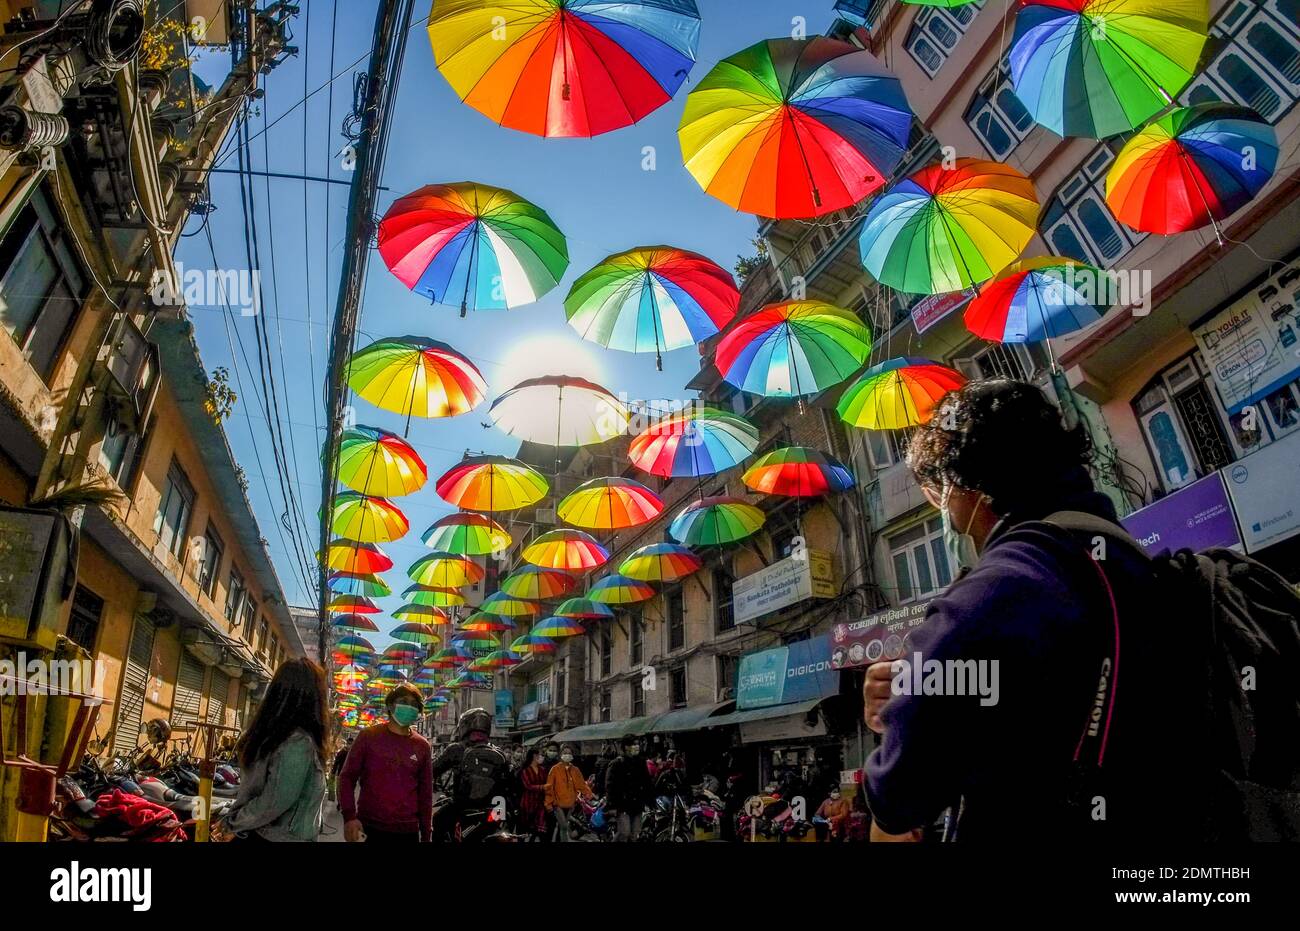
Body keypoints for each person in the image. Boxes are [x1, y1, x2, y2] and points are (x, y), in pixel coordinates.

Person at [863, 379, 1203, 842]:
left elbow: (898, 799)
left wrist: (896, 711)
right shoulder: (1134, 567)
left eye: (936, 494)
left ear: (963, 489)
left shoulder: (990, 599)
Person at [221, 658, 329, 842]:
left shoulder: (269, 734)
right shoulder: (297, 742)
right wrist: (234, 824)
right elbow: (274, 801)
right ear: (312, 697)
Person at [339, 684, 433, 842]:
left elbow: (425, 795)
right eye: (404, 701)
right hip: (369, 827)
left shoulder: (422, 746)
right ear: (390, 705)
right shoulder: (368, 737)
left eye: (414, 704)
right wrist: (349, 817)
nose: (409, 707)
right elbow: (347, 777)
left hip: (407, 832)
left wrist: (426, 835)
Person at [430, 707, 511, 841]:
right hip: (495, 810)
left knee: (437, 820)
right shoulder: (499, 752)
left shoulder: (456, 749)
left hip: (463, 806)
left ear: (464, 726)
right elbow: (508, 781)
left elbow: (432, 771)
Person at [605, 736, 654, 842]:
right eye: (634, 744)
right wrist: (612, 806)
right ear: (626, 747)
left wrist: (650, 802)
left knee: (635, 834)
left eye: (638, 744)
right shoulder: (616, 764)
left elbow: (647, 783)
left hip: (637, 804)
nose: (637, 747)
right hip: (622, 805)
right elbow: (610, 786)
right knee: (624, 832)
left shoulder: (641, 763)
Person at [544, 744, 593, 842]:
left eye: (569, 753)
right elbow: (549, 787)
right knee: (564, 826)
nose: (567, 755)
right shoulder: (554, 769)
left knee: (562, 827)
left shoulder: (575, 770)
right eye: (565, 753)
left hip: (570, 804)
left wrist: (589, 794)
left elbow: (581, 785)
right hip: (557, 804)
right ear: (560, 754)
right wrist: (548, 803)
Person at [516, 746, 548, 840]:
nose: (542, 757)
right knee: (524, 828)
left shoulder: (543, 770)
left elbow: (546, 782)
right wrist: (543, 787)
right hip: (527, 803)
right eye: (540, 755)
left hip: (540, 803)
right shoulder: (525, 770)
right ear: (534, 756)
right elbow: (528, 786)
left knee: (537, 830)